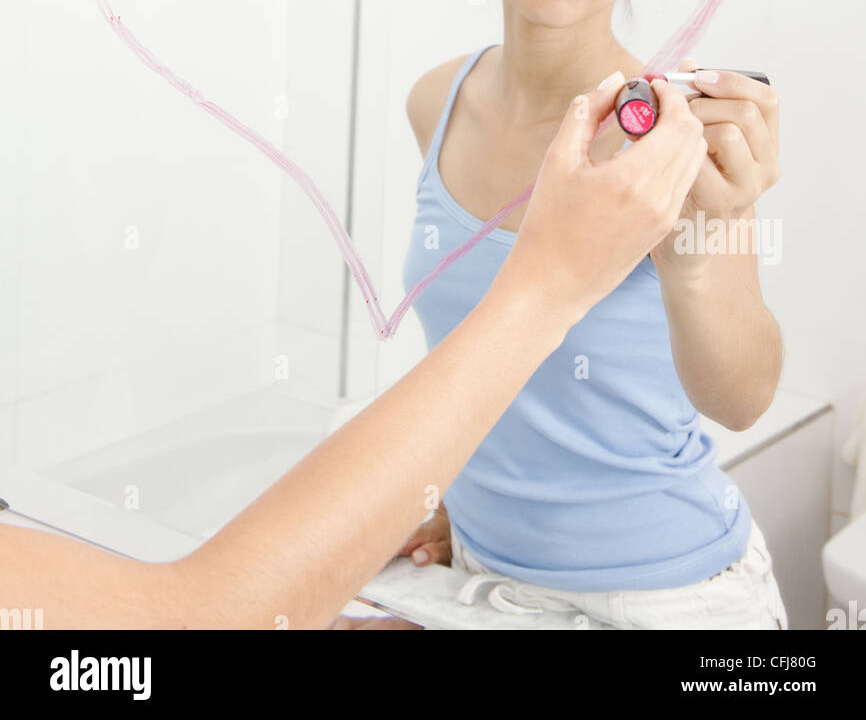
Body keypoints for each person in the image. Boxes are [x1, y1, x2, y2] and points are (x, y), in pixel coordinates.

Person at [0, 71, 707, 630]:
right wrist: (548, 283)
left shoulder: (671, 156)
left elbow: (741, 390)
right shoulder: (441, 98)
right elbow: (205, 620)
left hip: (670, 578)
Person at [397, 0, 786, 630]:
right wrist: (468, 494)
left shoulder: (674, 138)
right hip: (480, 574)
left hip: (671, 599)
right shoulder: (436, 101)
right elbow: (491, 363)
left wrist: (697, 244)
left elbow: (743, 396)